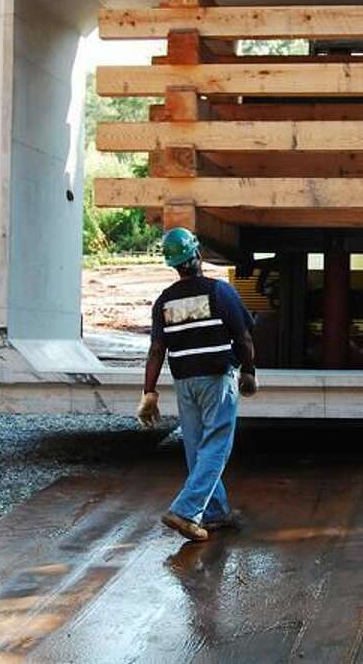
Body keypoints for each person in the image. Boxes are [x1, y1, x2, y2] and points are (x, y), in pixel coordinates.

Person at [137, 227, 258, 542]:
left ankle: (215, 512)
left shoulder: (164, 302)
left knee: (196, 447)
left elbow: (155, 350)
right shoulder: (220, 292)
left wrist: (148, 392)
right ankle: (186, 511)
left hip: (185, 382)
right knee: (217, 445)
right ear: (198, 255)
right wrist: (249, 371)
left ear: (173, 264)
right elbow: (244, 336)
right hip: (216, 380)